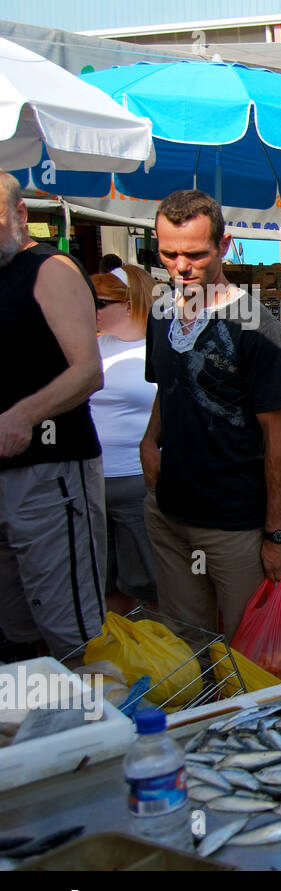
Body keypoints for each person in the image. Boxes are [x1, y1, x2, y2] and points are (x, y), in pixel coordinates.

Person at [139, 189, 281, 637]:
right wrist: (150, 440)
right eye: (169, 253)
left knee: (250, 653)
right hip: (170, 512)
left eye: (195, 254)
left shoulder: (255, 325)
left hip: (233, 523)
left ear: (224, 246)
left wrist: (277, 534)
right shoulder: (161, 309)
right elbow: (168, 386)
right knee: (187, 649)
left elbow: (280, 437)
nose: (180, 266)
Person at [0, 171, 107, 659]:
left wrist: (23, 416)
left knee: (71, 632)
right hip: (8, 477)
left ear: (21, 215)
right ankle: (45, 731)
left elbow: (88, 370)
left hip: (50, 472)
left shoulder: (49, 268)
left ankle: (97, 730)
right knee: (17, 630)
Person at [90, 265, 158, 615]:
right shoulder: (92, 345)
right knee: (104, 580)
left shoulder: (160, 348)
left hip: (137, 480)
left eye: (100, 302)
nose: (92, 309)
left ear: (129, 303)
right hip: (91, 480)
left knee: (149, 581)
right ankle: (121, 655)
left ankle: (170, 658)